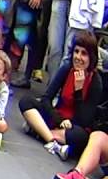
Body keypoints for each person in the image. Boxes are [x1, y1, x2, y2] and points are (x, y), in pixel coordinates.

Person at [19, 31, 102, 159]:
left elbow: (85, 120)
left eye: (84, 53)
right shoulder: (67, 68)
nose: (78, 57)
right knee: (26, 101)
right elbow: (47, 98)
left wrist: (78, 90)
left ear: (91, 57)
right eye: (76, 51)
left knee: (80, 136)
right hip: (58, 118)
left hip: (75, 127)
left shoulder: (95, 81)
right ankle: (52, 141)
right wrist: (60, 120)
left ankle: (39, 130)